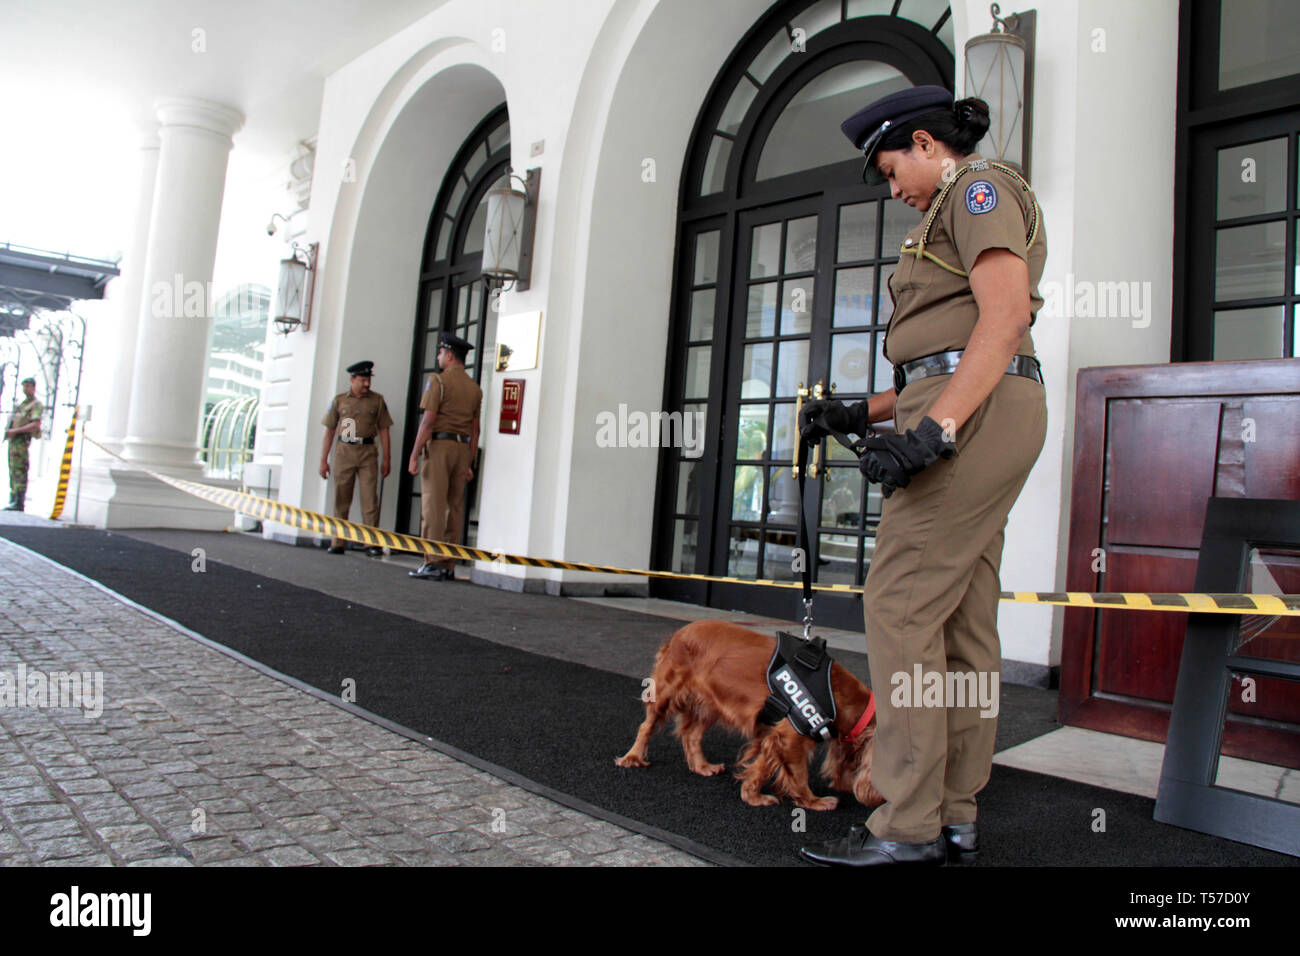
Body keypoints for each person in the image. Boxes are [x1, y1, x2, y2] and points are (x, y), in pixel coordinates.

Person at [797, 86, 1048, 866]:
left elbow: (1003, 320)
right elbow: (948, 348)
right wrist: (863, 413)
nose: (890, 185)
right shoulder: (949, 212)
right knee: (961, 624)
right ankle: (954, 815)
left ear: (926, 144)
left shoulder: (977, 190)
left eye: (889, 166)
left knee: (900, 604)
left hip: (971, 412)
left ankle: (905, 822)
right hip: (974, 404)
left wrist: (935, 432)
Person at [407, 333, 482, 581]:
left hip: (439, 447)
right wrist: (470, 461)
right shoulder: (474, 388)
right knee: (455, 507)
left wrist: (414, 454)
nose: (439, 357)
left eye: (440, 353)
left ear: (449, 355)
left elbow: (428, 421)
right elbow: (475, 430)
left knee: (433, 506)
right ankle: (448, 564)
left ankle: (432, 561)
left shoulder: (437, 381)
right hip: (462, 450)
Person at [319, 360, 393, 555]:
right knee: (341, 498)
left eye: (368, 379)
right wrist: (323, 460)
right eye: (363, 379)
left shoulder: (377, 401)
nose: (367, 384)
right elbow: (330, 431)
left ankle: (371, 542)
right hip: (344, 452)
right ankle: (338, 541)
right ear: (352, 379)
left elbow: (384, 430)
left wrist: (387, 458)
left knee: (370, 499)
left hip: (367, 452)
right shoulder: (339, 401)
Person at [4, 377, 43, 511]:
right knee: (13, 470)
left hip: (21, 441)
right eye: (24, 386)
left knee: (20, 470)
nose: (25, 389)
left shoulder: (35, 404)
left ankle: (19, 501)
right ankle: (13, 497)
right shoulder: (22, 404)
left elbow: (35, 424)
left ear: (33, 387)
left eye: (27, 386)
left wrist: (15, 431)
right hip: (14, 441)